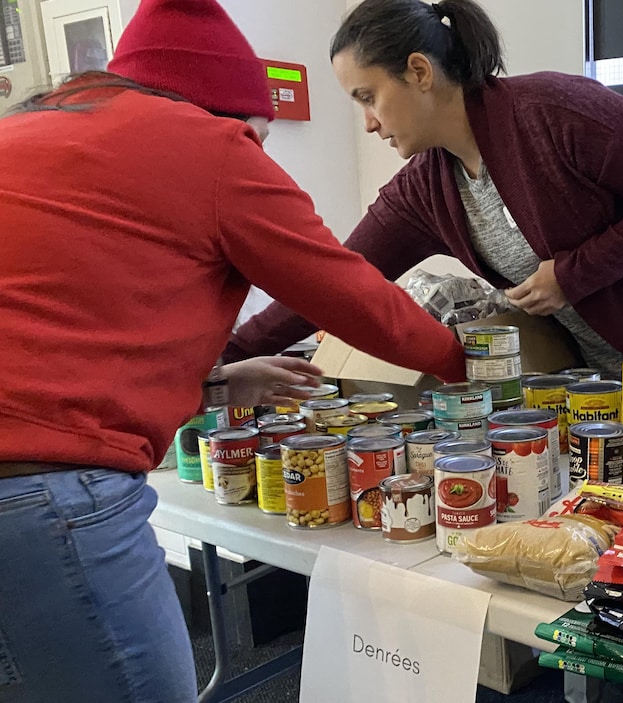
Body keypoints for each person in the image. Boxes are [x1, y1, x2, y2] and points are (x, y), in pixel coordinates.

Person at [0, 0, 466, 700]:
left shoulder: (27, 130)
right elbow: (354, 298)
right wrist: (469, 363)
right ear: (222, 108)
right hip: (43, 497)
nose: (258, 152)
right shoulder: (208, 145)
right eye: (259, 135)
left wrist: (213, 386)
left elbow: (59, 331)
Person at [224, 0, 623, 374]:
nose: (369, 123)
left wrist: (573, 274)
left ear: (419, 72)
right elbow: (334, 281)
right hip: (613, 376)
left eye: (368, 97)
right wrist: (228, 355)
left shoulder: (554, 112)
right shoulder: (425, 190)